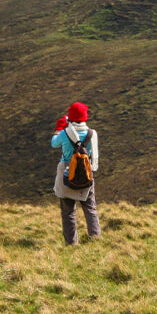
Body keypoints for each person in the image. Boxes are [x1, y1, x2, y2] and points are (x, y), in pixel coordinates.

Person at [51, 101, 100, 245]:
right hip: (86, 172)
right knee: (90, 208)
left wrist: (59, 128)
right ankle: (96, 239)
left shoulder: (65, 133)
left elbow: (54, 143)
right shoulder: (92, 134)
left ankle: (71, 243)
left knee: (68, 212)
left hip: (67, 172)